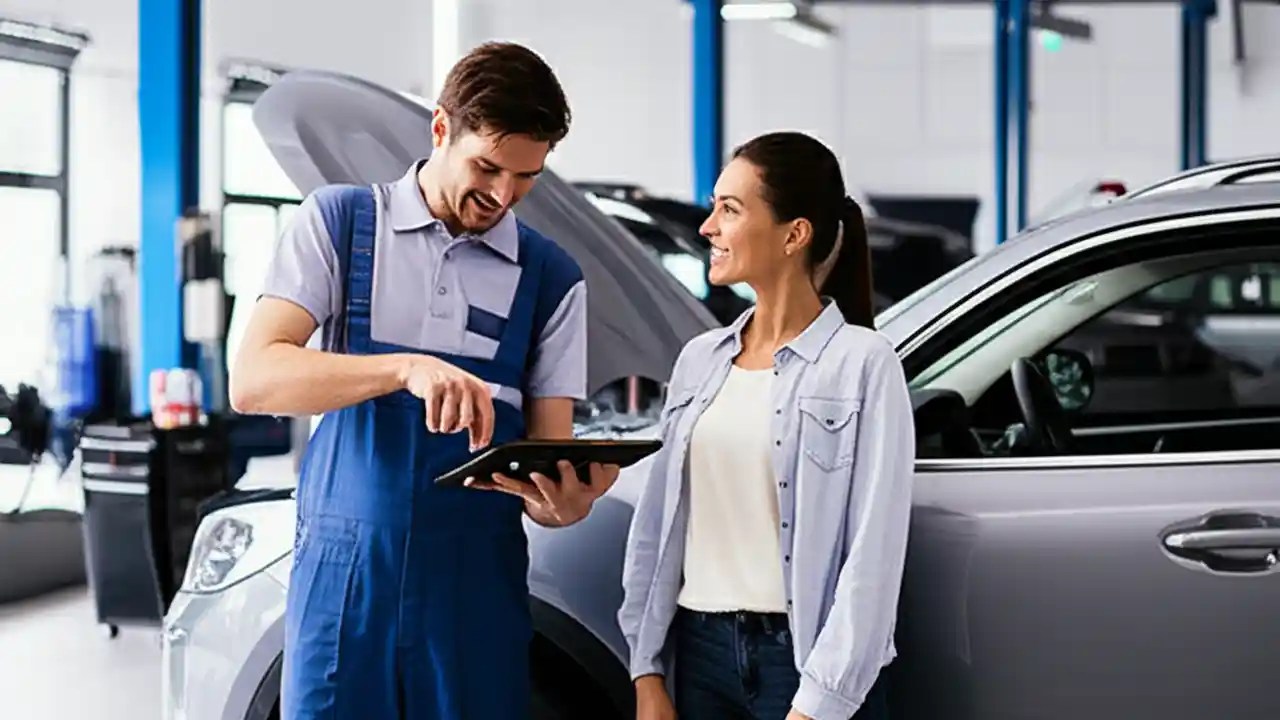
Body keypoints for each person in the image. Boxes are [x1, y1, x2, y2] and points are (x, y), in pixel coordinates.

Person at [230, 41, 620, 720]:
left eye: (527, 177)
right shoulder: (339, 224)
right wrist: (403, 369)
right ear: (441, 129)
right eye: (488, 167)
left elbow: (550, 460)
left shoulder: (553, 280)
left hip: (474, 597)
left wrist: (564, 504)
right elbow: (255, 379)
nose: (503, 195)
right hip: (343, 585)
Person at [618, 131, 915, 720]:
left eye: (729, 210)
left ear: (793, 234)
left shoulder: (862, 362)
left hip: (805, 666)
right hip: (699, 657)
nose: (707, 228)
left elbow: (873, 554)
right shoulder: (699, 360)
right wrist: (646, 669)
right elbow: (657, 525)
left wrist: (818, 702)